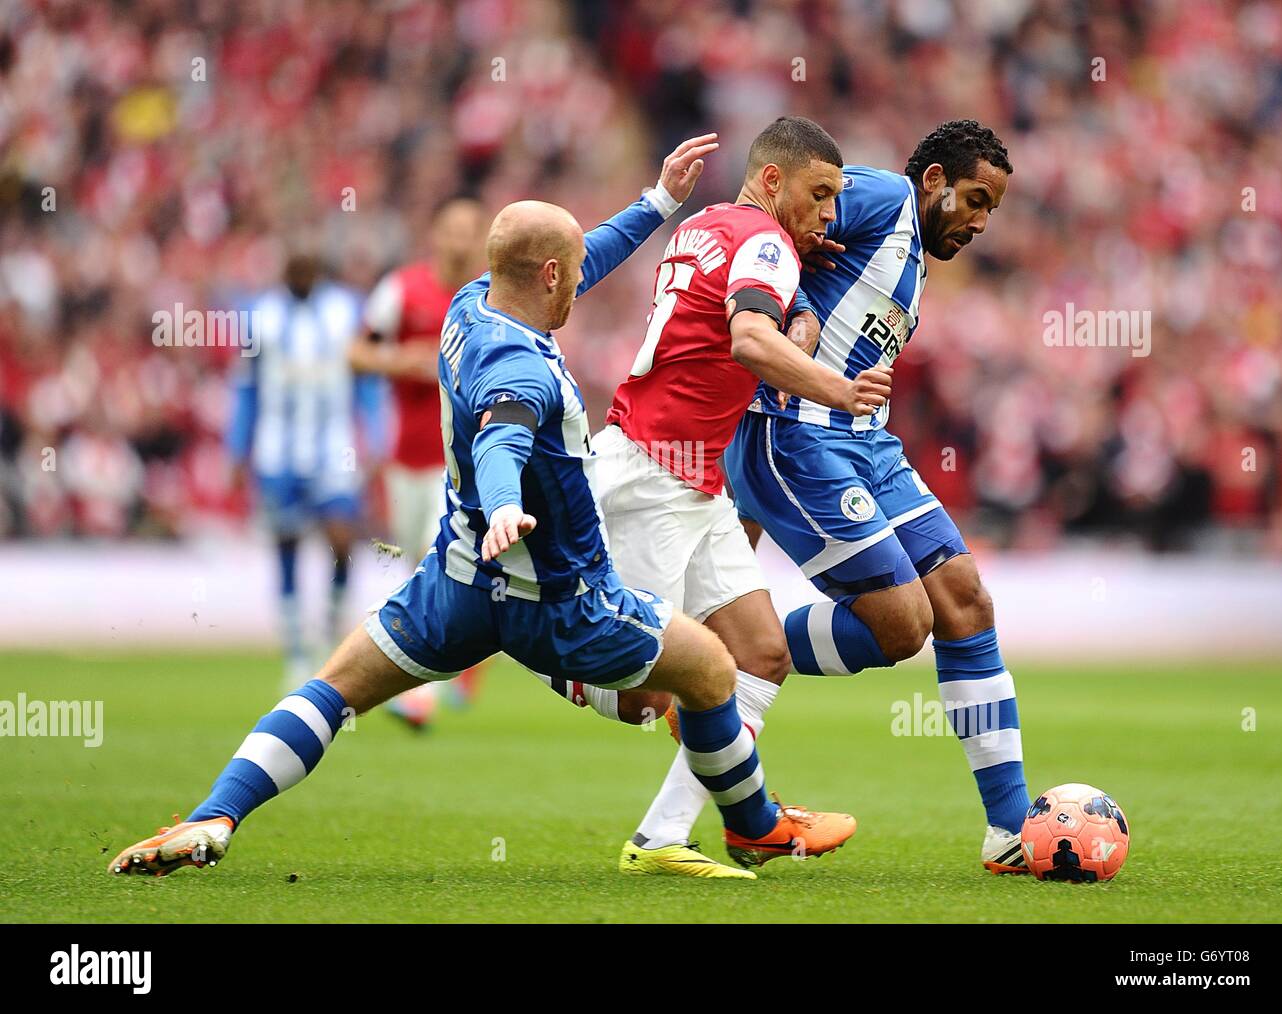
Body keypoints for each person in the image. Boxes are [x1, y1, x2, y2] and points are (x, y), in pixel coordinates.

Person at [108, 136, 856, 881]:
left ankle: (214, 814)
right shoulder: (522, 367)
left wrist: (657, 203)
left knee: (334, 691)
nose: (579, 285)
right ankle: (748, 820)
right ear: (550, 277)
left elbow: (576, 258)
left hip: (457, 583)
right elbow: (505, 433)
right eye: (571, 276)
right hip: (556, 597)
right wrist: (505, 504)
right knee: (707, 672)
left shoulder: (472, 305)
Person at [586, 116, 891, 875]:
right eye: (819, 195)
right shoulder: (767, 244)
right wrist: (841, 391)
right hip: (653, 472)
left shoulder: (704, 227)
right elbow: (750, 341)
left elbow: (736, 329)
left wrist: (798, 315)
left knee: (759, 651)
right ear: (772, 179)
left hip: (691, 476)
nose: (829, 214)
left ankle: (661, 841)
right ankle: (505, 617)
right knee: (643, 699)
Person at [349, 197, 490, 727]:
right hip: (404, 454)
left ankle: (425, 690)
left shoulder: (489, 297)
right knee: (415, 559)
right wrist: (400, 361)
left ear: (480, 238)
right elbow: (355, 352)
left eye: (467, 231)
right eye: (449, 229)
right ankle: (462, 665)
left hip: (460, 456)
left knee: (440, 558)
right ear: (435, 233)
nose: (457, 241)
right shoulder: (401, 289)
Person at [227, 254, 383, 689]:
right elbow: (247, 386)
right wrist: (237, 448)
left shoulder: (346, 310)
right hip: (277, 450)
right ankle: (296, 652)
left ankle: (330, 632)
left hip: (335, 449)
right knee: (287, 543)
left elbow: (366, 380)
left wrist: (374, 437)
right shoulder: (261, 315)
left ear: (316, 272)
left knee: (340, 538)